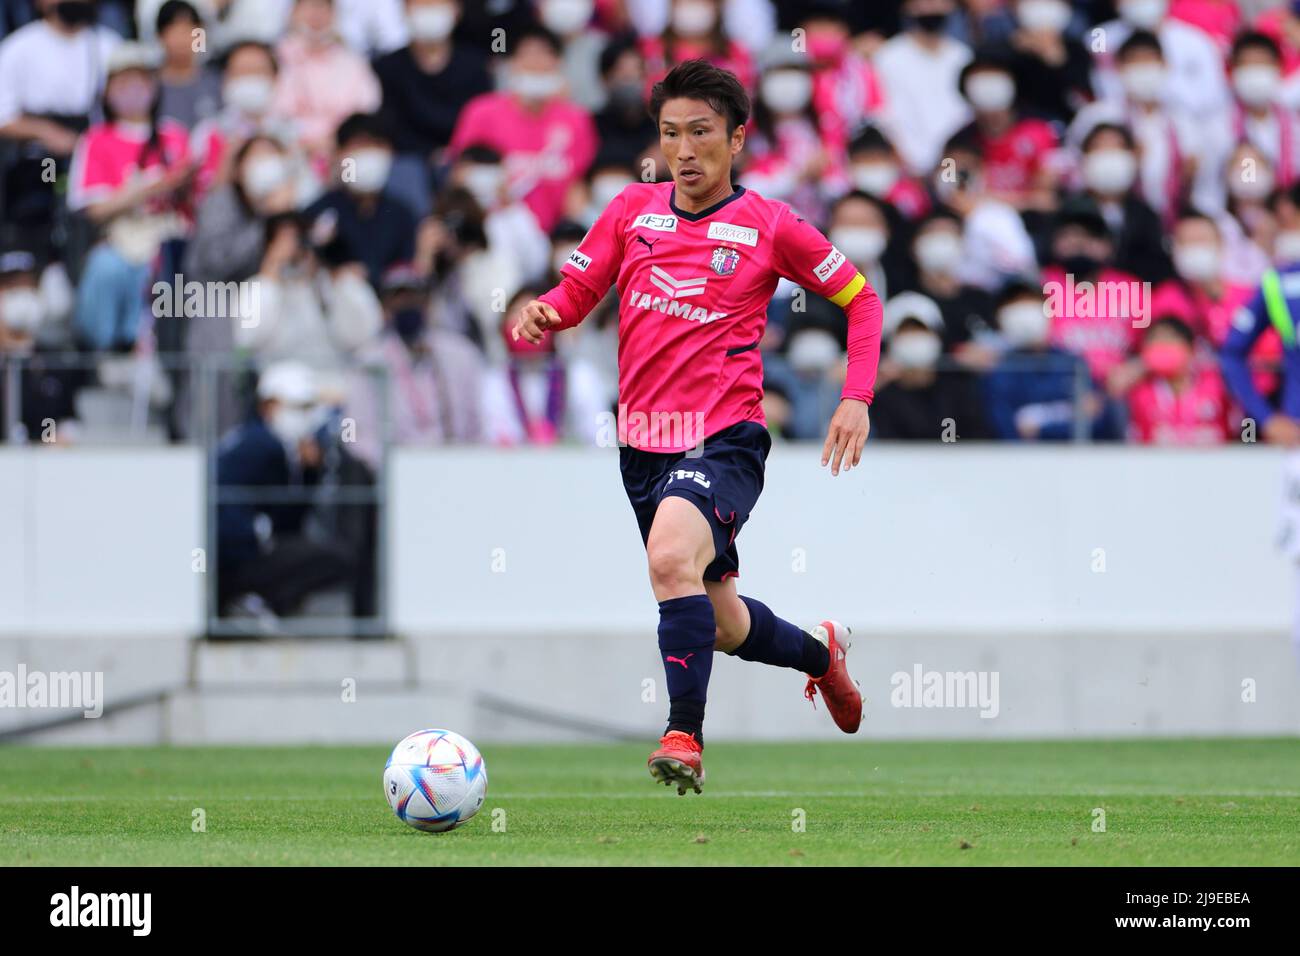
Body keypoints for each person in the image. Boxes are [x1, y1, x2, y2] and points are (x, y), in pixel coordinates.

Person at [512, 60, 882, 793]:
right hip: (641, 445)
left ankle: (684, 735)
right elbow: (580, 288)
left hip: (723, 439)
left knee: (668, 558)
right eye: (670, 134)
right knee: (720, 623)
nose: (683, 150)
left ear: (737, 139)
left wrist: (856, 396)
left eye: (701, 133)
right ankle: (821, 656)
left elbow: (863, 301)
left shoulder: (772, 225)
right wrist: (546, 308)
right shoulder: (630, 210)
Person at [215, 360, 356, 627]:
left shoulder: (266, 443)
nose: (308, 417)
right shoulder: (262, 445)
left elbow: (289, 521)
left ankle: (257, 600)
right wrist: (258, 535)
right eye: (300, 408)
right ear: (269, 406)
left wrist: (309, 471)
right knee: (336, 557)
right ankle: (251, 600)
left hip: (242, 554)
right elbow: (232, 512)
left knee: (325, 554)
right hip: (235, 561)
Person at [372, 0, 491, 219]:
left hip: (461, 155)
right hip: (408, 157)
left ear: (456, 11)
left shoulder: (475, 65)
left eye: (437, 5)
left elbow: (482, 123)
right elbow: (389, 124)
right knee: (404, 173)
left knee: (480, 174)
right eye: (422, 5)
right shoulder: (387, 66)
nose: (430, 12)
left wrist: (454, 151)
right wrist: (428, 154)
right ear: (406, 10)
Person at [870, 291, 989, 441]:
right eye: (905, 332)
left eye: (921, 331)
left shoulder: (959, 391)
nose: (914, 339)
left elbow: (978, 438)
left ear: (937, 337)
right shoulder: (883, 398)